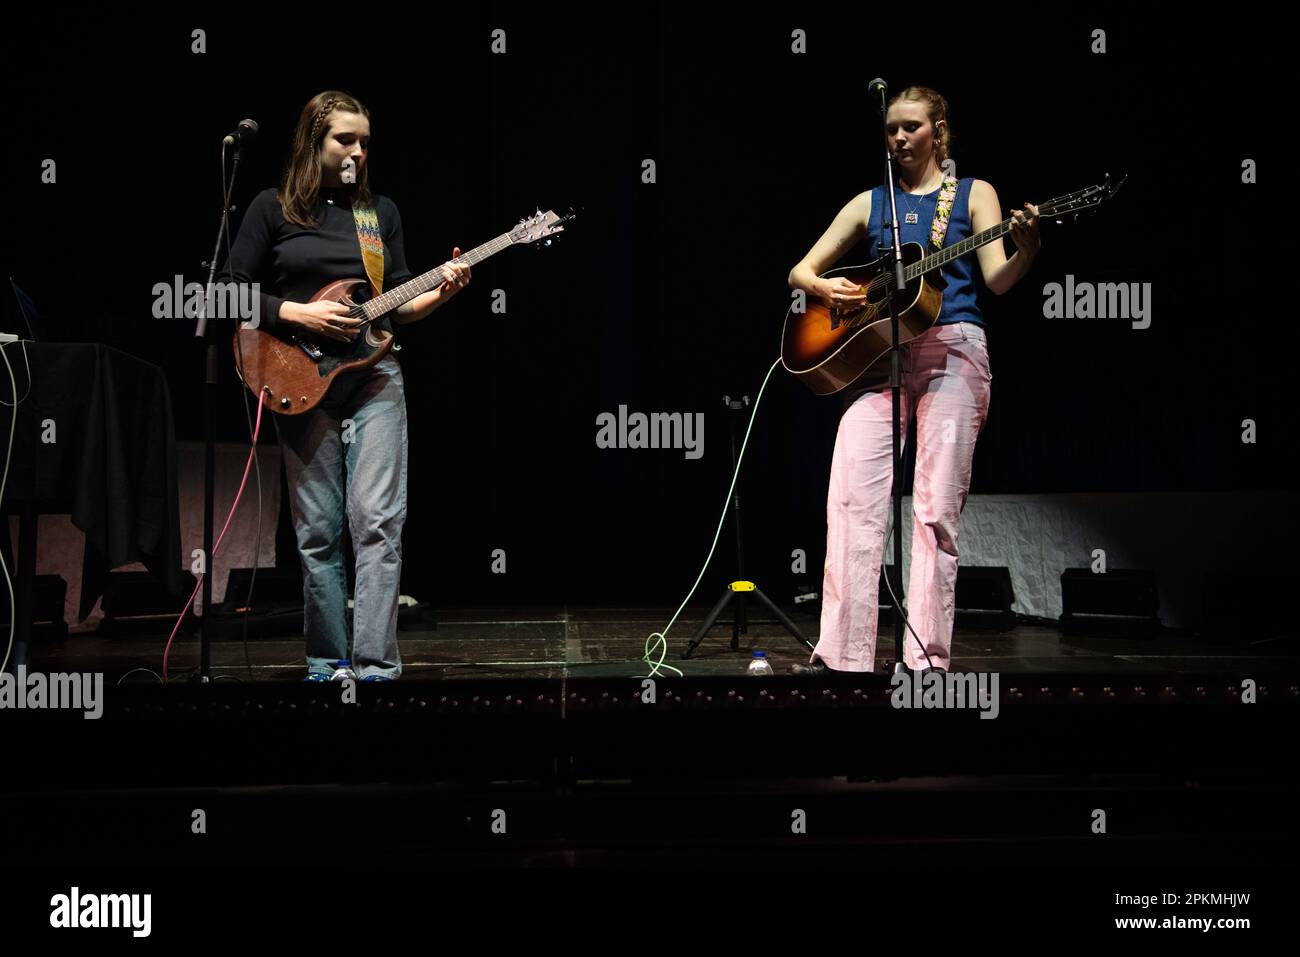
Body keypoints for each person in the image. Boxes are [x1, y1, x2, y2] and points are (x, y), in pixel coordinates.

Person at [786, 86, 1039, 675]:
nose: (898, 139)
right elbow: (801, 269)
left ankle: (926, 665)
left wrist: (1025, 252)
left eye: (910, 128)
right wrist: (826, 289)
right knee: (851, 500)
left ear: (938, 130)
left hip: (953, 350)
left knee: (932, 512)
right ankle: (843, 658)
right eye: (891, 130)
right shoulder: (869, 204)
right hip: (878, 359)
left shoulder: (974, 194)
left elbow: (998, 279)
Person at [222, 90, 471, 681]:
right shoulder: (271, 208)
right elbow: (227, 290)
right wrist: (294, 314)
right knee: (317, 533)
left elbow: (398, 303)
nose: (358, 151)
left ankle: (377, 666)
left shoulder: (377, 213)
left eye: (364, 141)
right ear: (313, 142)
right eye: (345, 139)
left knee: (379, 521)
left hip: (373, 378)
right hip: (298, 378)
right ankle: (327, 662)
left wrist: (443, 292)